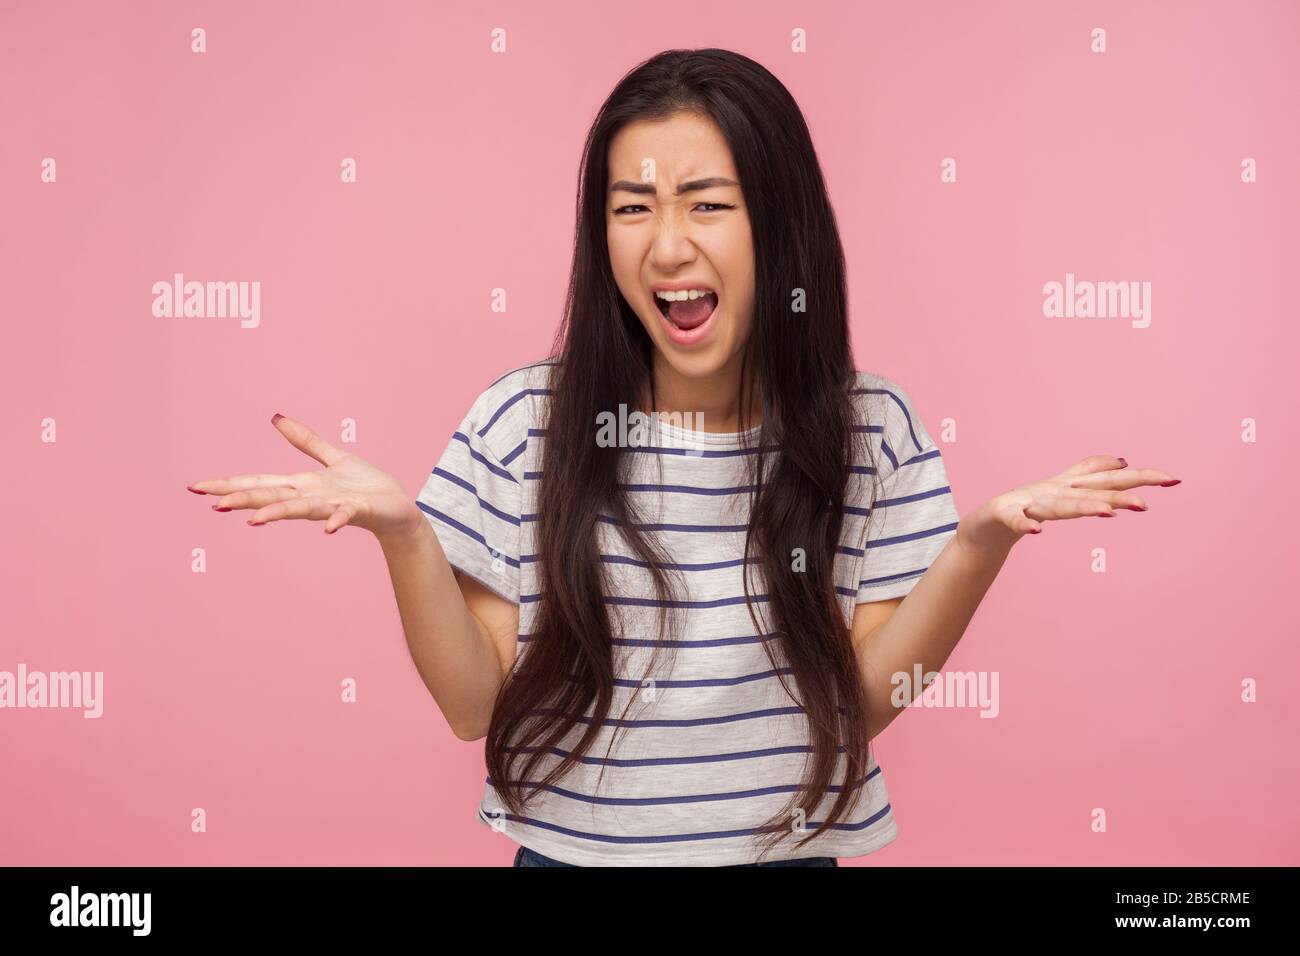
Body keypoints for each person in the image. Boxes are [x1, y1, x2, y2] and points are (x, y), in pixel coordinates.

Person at [186, 48, 1179, 867]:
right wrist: (402, 536)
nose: (665, 245)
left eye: (707, 203)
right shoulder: (523, 420)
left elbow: (864, 704)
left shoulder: (868, 428)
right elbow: (469, 706)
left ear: (779, 222)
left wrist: (979, 545)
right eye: (632, 207)